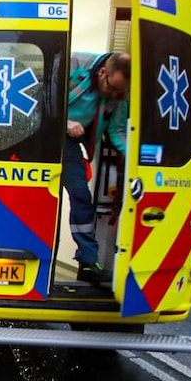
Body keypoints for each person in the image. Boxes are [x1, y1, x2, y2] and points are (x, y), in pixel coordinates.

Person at [64, 51, 130, 285]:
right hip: (46, 131)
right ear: (103, 72)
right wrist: (64, 121)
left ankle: (88, 262)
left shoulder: (118, 93)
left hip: (69, 143)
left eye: (119, 91)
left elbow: (117, 130)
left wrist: (135, 158)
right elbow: (41, 98)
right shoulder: (74, 63)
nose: (113, 95)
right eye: (111, 88)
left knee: (82, 197)